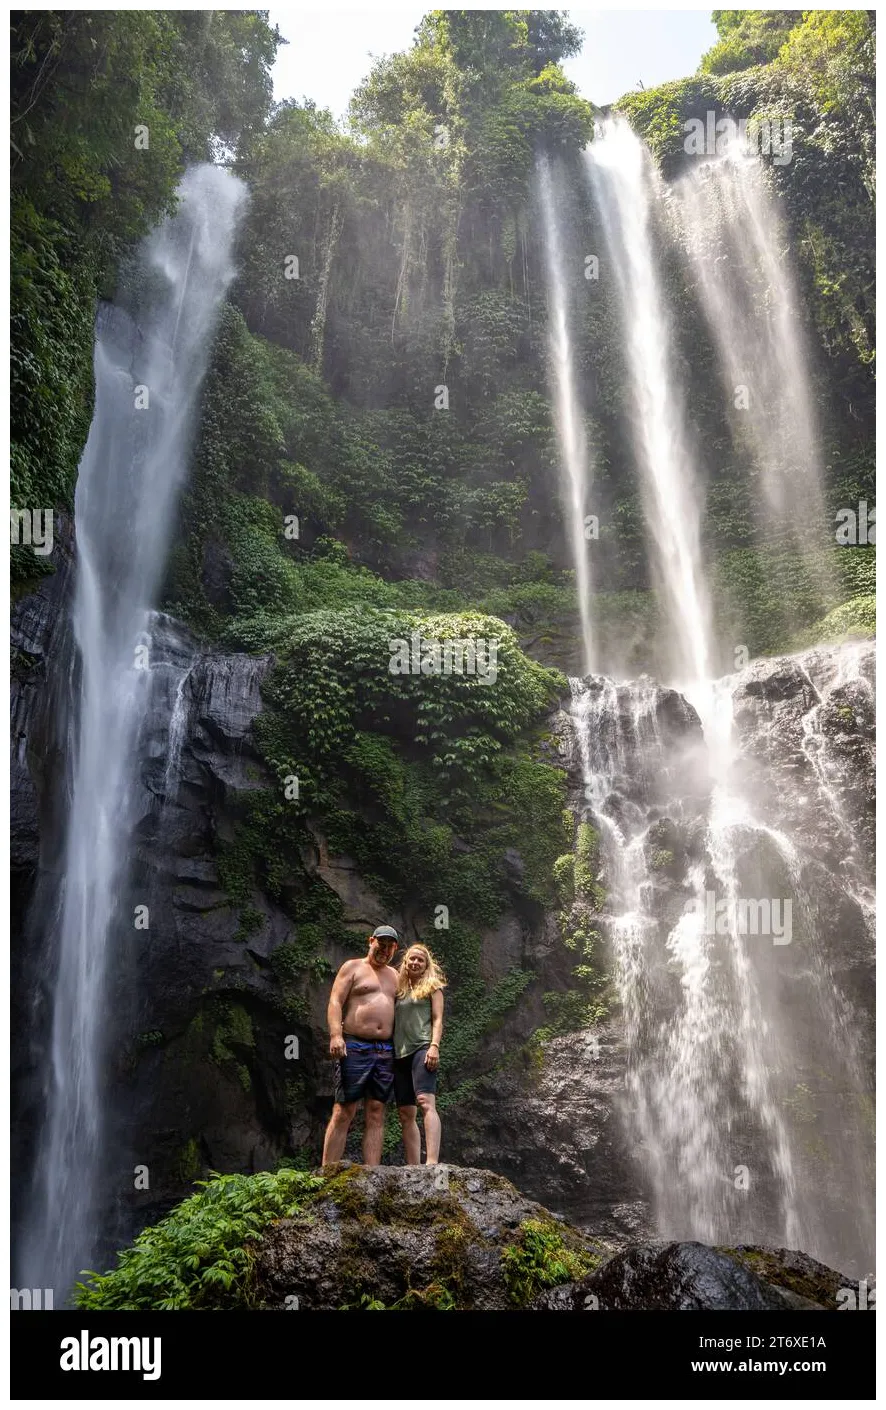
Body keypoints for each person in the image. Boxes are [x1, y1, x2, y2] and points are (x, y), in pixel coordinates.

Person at [321, 925, 400, 1166]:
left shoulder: (395, 976)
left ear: (394, 949)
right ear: (370, 941)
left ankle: (372, 1174)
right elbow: (335, 1000)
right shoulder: (353, 967)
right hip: (355, 1044)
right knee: (344, 1109)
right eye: (381, 945)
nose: (384, 951)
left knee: (376, 1111)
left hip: (385, 1049)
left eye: (389, 947)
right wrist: (336, 1035)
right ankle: (327, 1173)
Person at [394, 944, 446, 1165]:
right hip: (398, 1054)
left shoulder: (433, 987)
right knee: (406, 1112)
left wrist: (434, 1045)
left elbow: (437, 1019)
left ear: (426, 965)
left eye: (420, 960)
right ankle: (413, 1166)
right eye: (411, 959)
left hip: (422, 1048)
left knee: (425, 1102)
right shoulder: (399, 990)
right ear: (405, 963)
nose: (415, 963)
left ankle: (432, 1162)